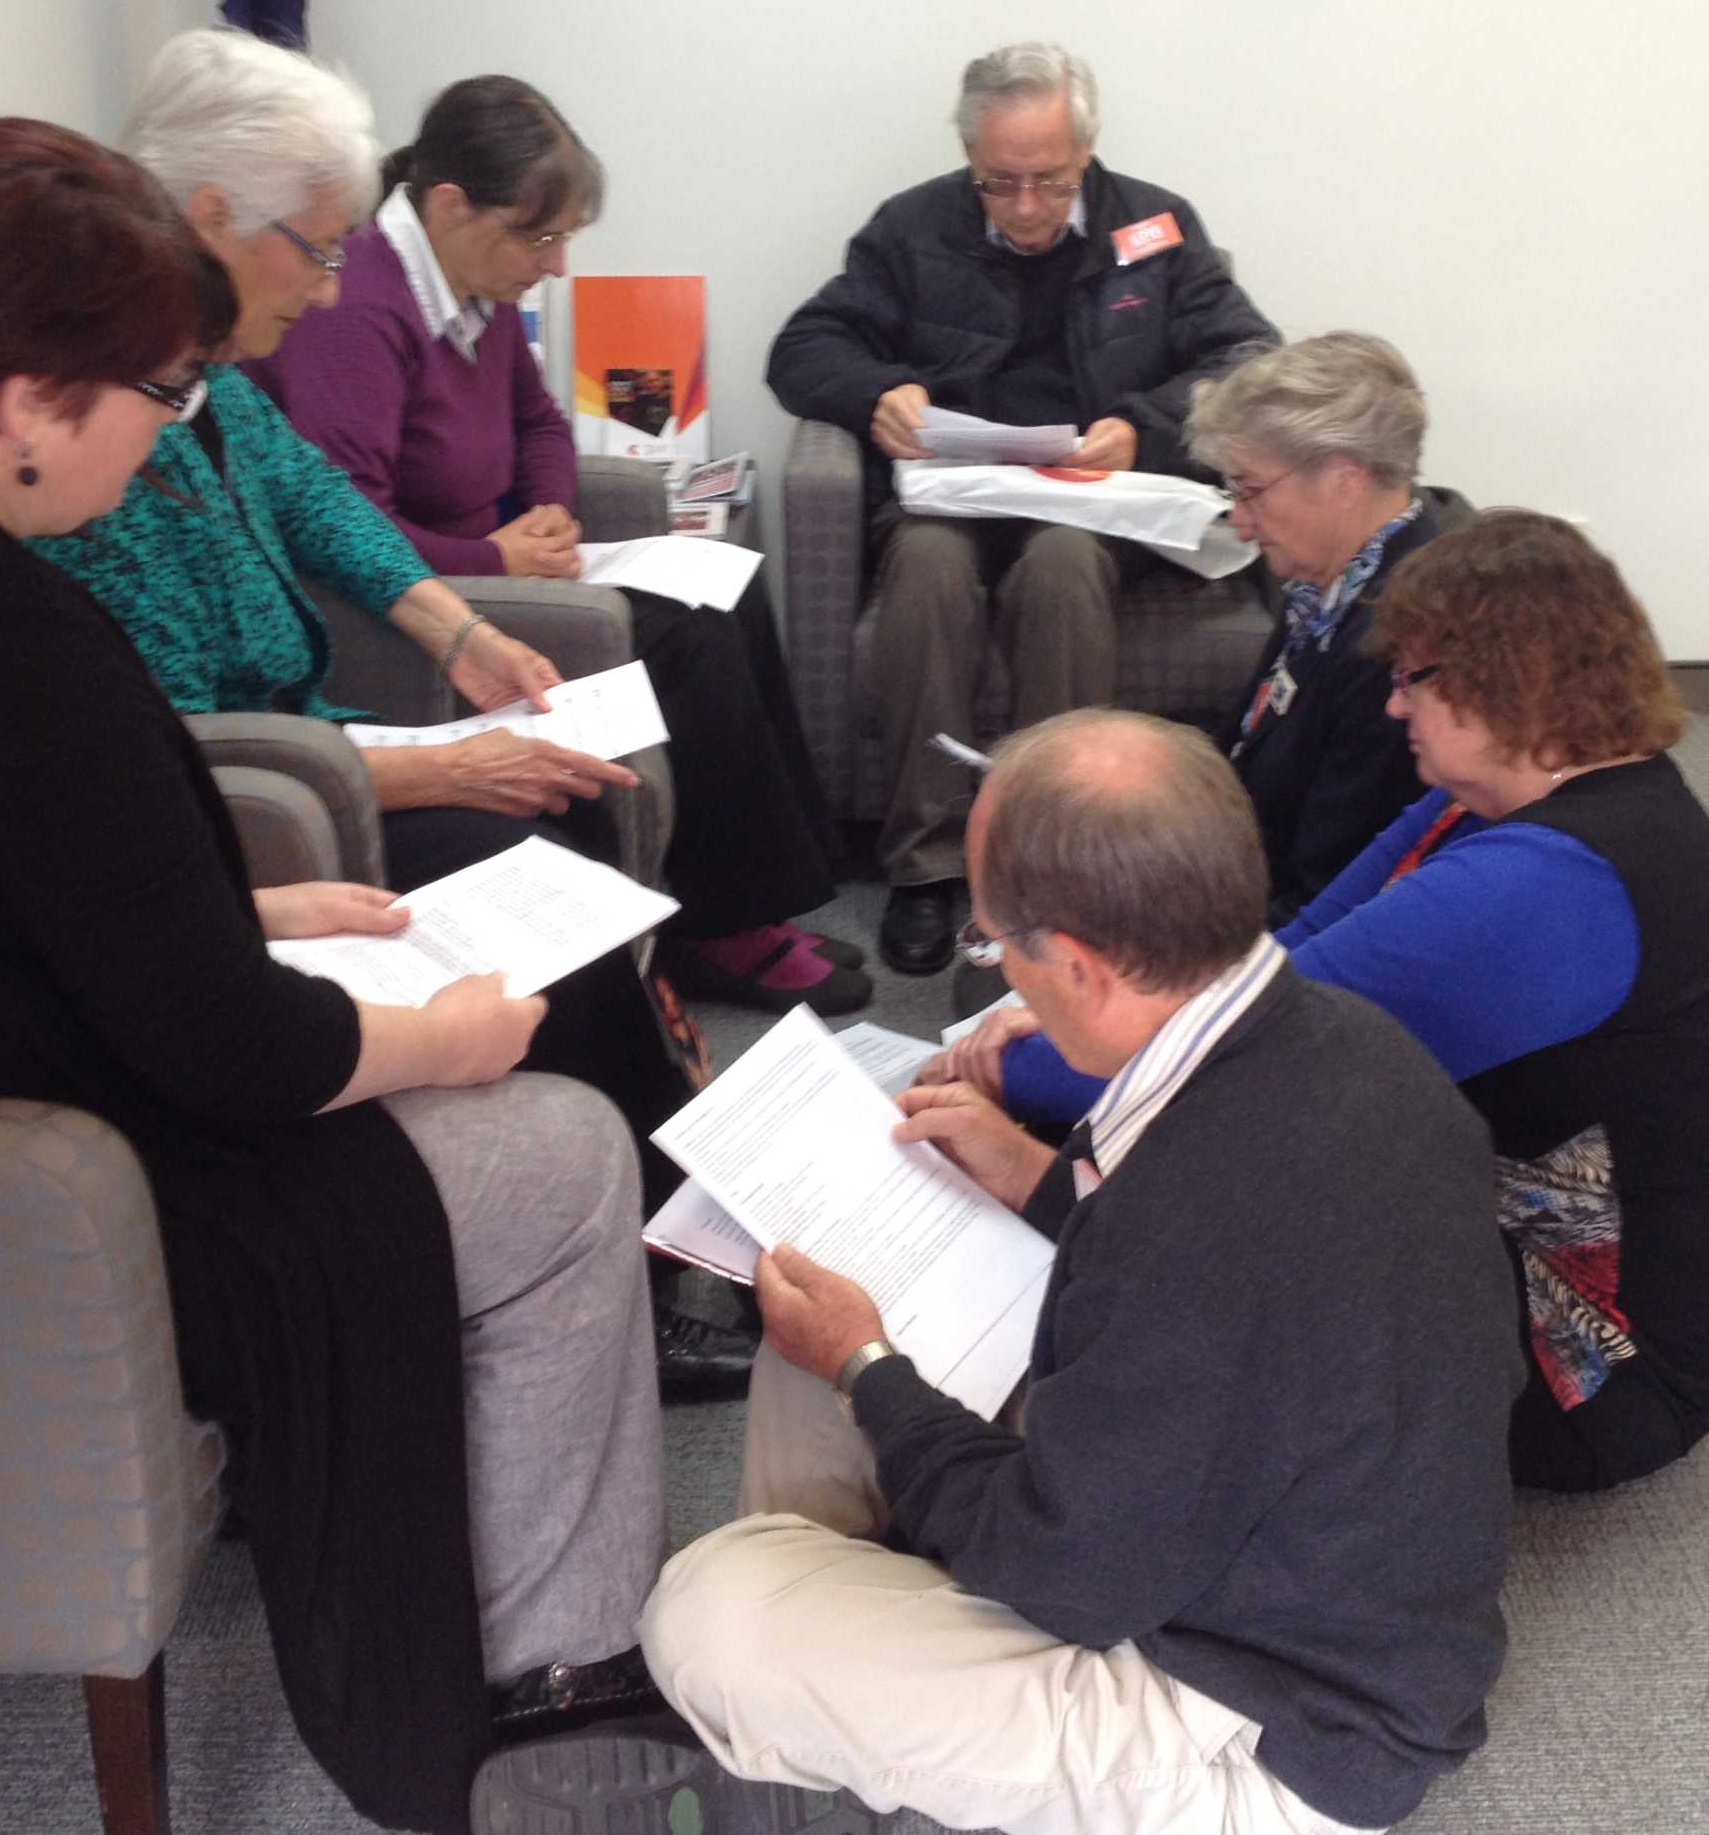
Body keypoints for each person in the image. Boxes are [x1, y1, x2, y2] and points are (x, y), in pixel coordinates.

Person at [0, 119, 664, 1834]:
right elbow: (235, 1060)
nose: (177, 428)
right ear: (32, 395)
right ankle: (558, 1689)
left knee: (476, 1083)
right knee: (558, 1155)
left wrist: (246, 913)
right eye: (161, 390)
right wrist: (446, 1035)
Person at [475, 711, 1519, 1834]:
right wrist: (1035, 1178)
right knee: (826, 1318)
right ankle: (834, 1689)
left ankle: (811, 1699)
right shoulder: (1345, 1044)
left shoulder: (1200, 1214)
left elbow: (1071, 1573)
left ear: (1074, 963)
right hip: (1273, 1556)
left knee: (703, 1613)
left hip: (1270, 1729)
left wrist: (870, 1369)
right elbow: (1215, 1292)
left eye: (995, 948)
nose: (995, 969)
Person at [26, 32, 747, 1395]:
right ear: (208, 220)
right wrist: (424, 771)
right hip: (275, 795)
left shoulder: (214, 382)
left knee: (581, 793)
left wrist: (462, 633)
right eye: (318, 245)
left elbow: (319, 506)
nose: (337, 278)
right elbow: (183, 742)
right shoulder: (100, 442)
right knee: (542, 868)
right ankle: (655, 1270)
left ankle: (684, 1194)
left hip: (313, 732)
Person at [947, 514, 1709, 1493]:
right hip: (1479, 1219)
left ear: (1502, 685)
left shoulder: (1551, 886)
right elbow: (1288, 963)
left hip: (1588, 1368)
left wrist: (1012, 1066)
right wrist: (1050, 1046)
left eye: (1411, 679)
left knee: (1195, 1170)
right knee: (1150, 1130)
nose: (1393, 709)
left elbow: (1243, 1045)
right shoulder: (1481, 803)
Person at [251, 72, 863, 1013]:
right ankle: (721, 926)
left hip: (508, 561)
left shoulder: (475, 283)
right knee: (688, 643)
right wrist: (500, 560)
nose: (558, 265)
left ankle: (781, 888)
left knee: (732, 588)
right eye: (539, 238)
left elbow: (540, 422)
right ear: (451, 206)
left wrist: (551, 515)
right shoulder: (366, 309)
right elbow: (347, 521)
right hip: (437, 594)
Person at [767, 41, 1277, 975]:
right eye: (1000, 184)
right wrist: (878, 391)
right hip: (955, 494)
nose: (1029, 207)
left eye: (1048, 180)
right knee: (923, 567)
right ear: (971, 161)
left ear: (1086, 153)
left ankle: (1052, 869)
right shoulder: (912, 228)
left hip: (1088, 500)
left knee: (1063, 566)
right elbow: (802, 349)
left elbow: (1247, 358)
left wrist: (1143, 426)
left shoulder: (1157, 227)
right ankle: (923, 864)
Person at [1189, 330, 1472, 924]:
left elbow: (1329, 896)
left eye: (1249, 490)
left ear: (1345, 480)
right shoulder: (1335, 578)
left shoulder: (1404, 641)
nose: (1238, 522)